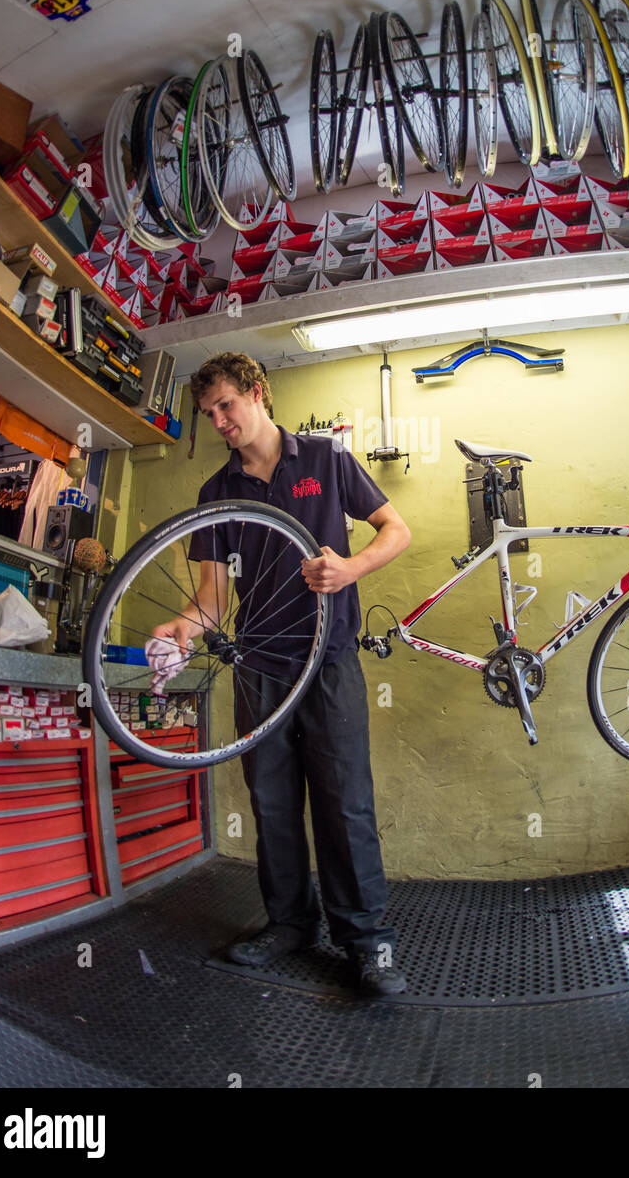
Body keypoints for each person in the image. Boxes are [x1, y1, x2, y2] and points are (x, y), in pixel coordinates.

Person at [149, 352, 411, 996]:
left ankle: (366, 941)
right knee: (271, 801)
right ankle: (290, 923)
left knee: (344, 798)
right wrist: (184, 627)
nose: (219, 421)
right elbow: (211, 599)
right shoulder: (216, 493)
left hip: (329, 657)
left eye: (226, 406)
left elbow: (395, 530)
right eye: (209, 413)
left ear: (257, 393)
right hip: (260, 664)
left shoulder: (325, 459)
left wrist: (350, 569)